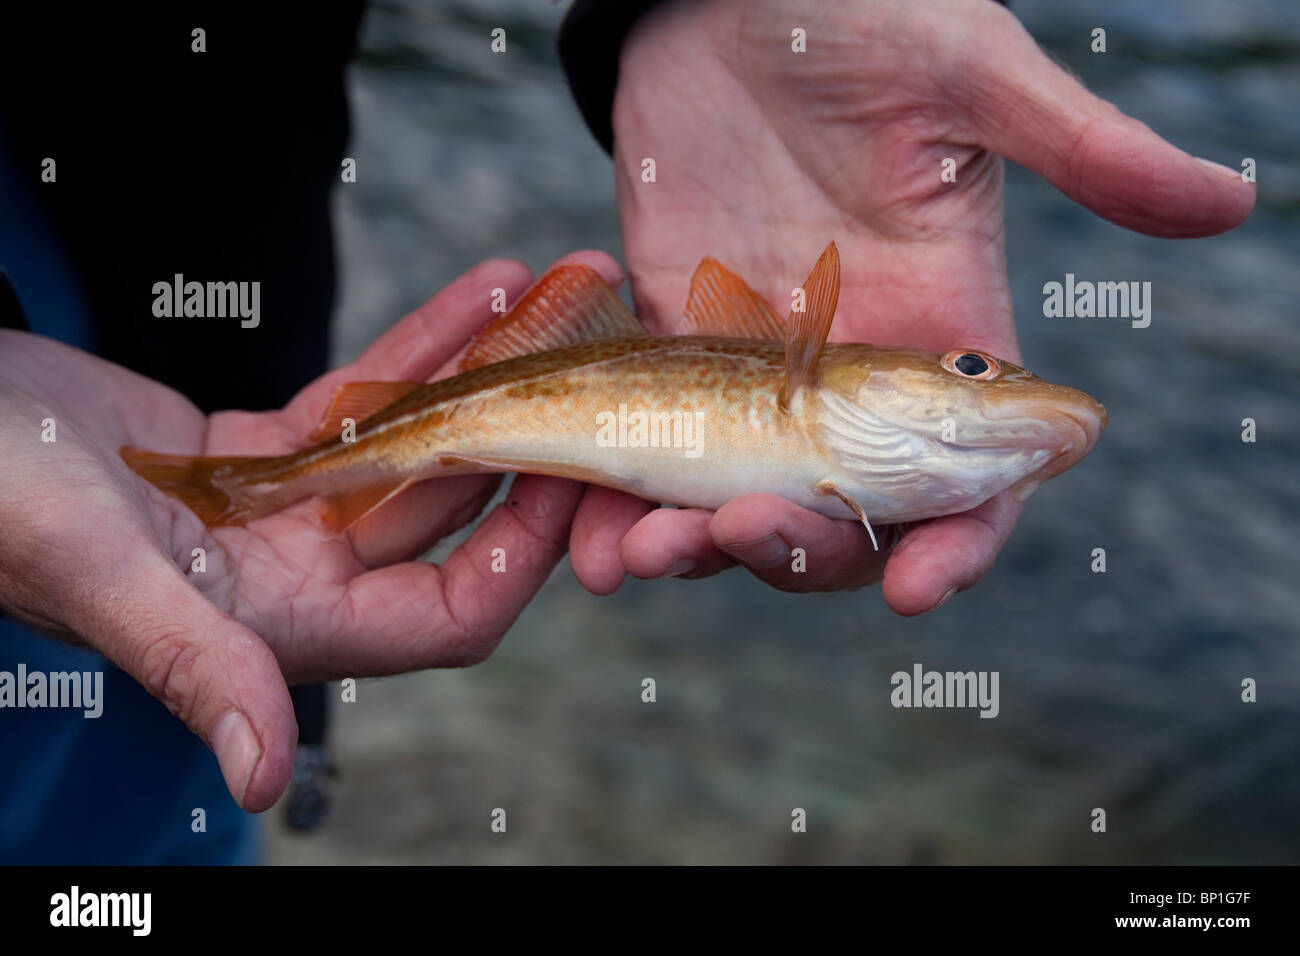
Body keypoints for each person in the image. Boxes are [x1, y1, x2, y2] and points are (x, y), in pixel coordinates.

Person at [0, 0, 1252, 863]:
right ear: (825, 371)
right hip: (80, 268)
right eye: (969, 370)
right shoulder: (792, 380)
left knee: (131, 796)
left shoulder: (821, 418)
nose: (989, 388)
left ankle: (263, 493)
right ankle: (267, 486)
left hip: (174, 208)